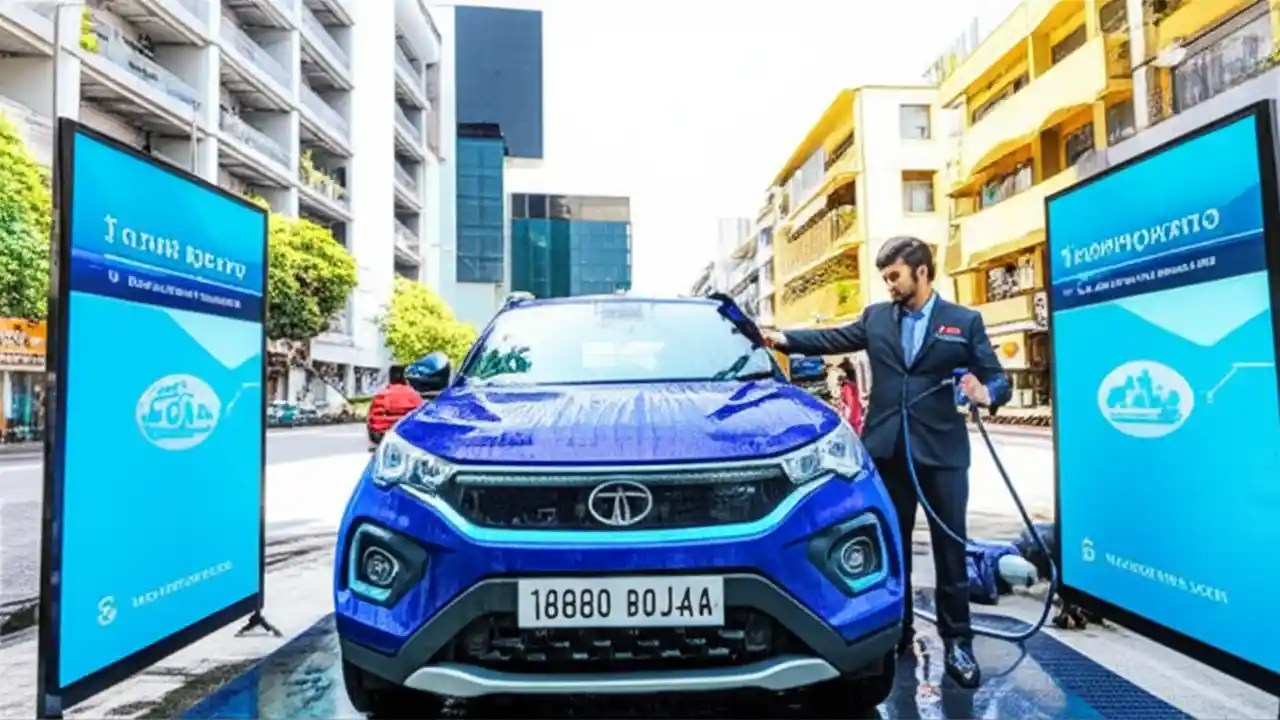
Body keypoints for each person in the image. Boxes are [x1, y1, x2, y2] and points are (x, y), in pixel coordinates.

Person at [761, 236, 1010, 689]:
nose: (889, 285)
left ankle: (958, 642)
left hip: (943, 457)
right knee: (891, 548)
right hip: (888, 452)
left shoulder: (963, 322)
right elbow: (833, 338)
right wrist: (782, 338)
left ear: (921, 272)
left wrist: (985, 393)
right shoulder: (877, 318)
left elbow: (997, 379)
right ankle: (898, 632)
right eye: (885, 277)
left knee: (950, 552)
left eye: (894, 275)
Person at [366, 365, 423, 449]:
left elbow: (370, 419)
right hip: (407, 435)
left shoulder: (381, 394)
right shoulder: (414, 395)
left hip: (380, 436)